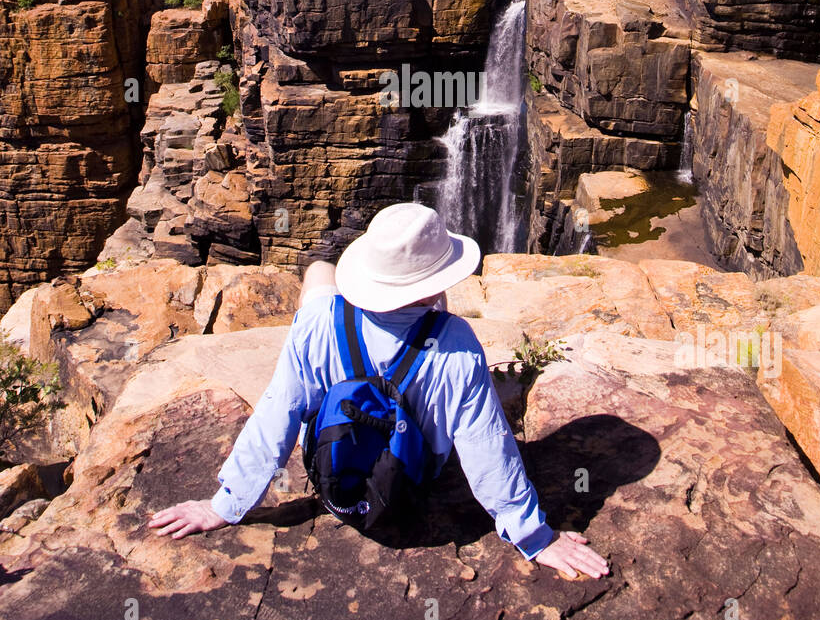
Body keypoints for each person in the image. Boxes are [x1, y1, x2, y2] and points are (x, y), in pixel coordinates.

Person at [149, 203, 609, 581]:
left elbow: (279, 413)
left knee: (318, 274)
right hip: (412, 477)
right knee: (430, 319)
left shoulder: (315, 324)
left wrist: (226, 505)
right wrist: (534, 537)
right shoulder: (457, 344)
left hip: (334, 470)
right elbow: (487, 447)